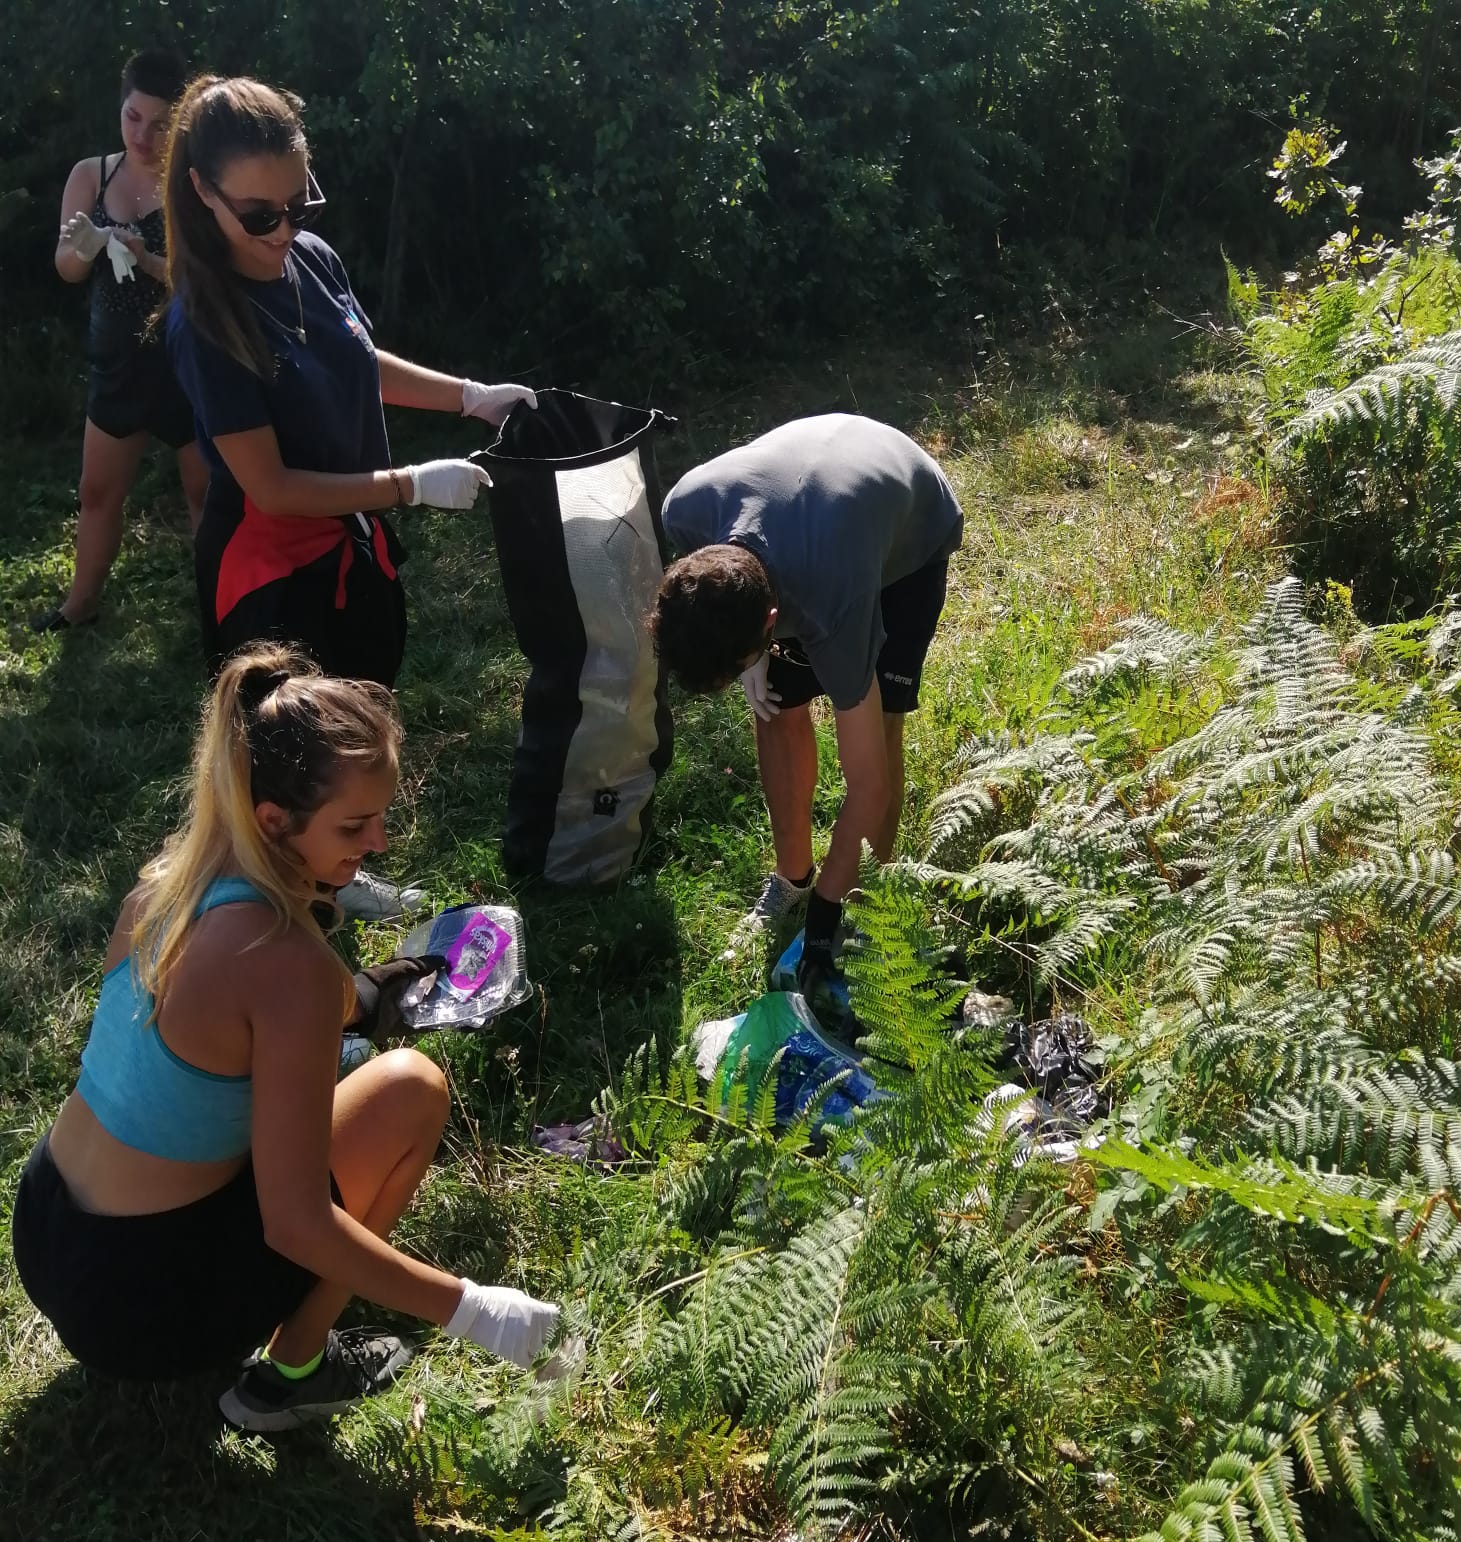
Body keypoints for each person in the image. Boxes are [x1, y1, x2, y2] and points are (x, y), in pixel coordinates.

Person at [9, 644, 560, 1433]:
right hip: (138, 1308)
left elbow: (224, 1021)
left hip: (49, 1232)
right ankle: (294, 1374)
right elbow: (293, 1222)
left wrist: (361, 995)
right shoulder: (285, 966)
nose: (377, 843)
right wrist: (476, 1311)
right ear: (275, 820)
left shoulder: (163, 887)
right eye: (354, 824)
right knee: (409, 1089)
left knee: (342, 1069)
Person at [161, 74, 533, 693]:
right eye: (258, 216)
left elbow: (356, 360)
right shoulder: (205, 323)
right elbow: (272, 488)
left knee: (366, 724)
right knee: (300, 771)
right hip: (274, 584)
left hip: (353, 543)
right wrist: (408, 486)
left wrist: (472, 397)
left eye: (298, 205)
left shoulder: (311, 256)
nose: (284, 230)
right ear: (201, 188)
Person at [651, 413, 964, 997]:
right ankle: (792, 878)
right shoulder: (685, 510)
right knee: (774, 709)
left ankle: (866, 898)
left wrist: (825, 920)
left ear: (772, 622)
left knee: (881, 727)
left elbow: (865, 785)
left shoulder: (833, 604)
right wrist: (757, 662)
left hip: (908, 525)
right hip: (808, 501)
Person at [38, 47, 208, 632]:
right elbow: (65, 266)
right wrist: (83, 248)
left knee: (204, 491)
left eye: (161, 123)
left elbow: (202, 279)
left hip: (186, 360)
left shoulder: (193, 182)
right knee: (96, 491)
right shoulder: (92, 174)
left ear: (179, 122)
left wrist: (145, 257)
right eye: (133, 117)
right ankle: (80, 603)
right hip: (117, 362)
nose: (144, 133)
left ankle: (221, 606)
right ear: (121, 109)